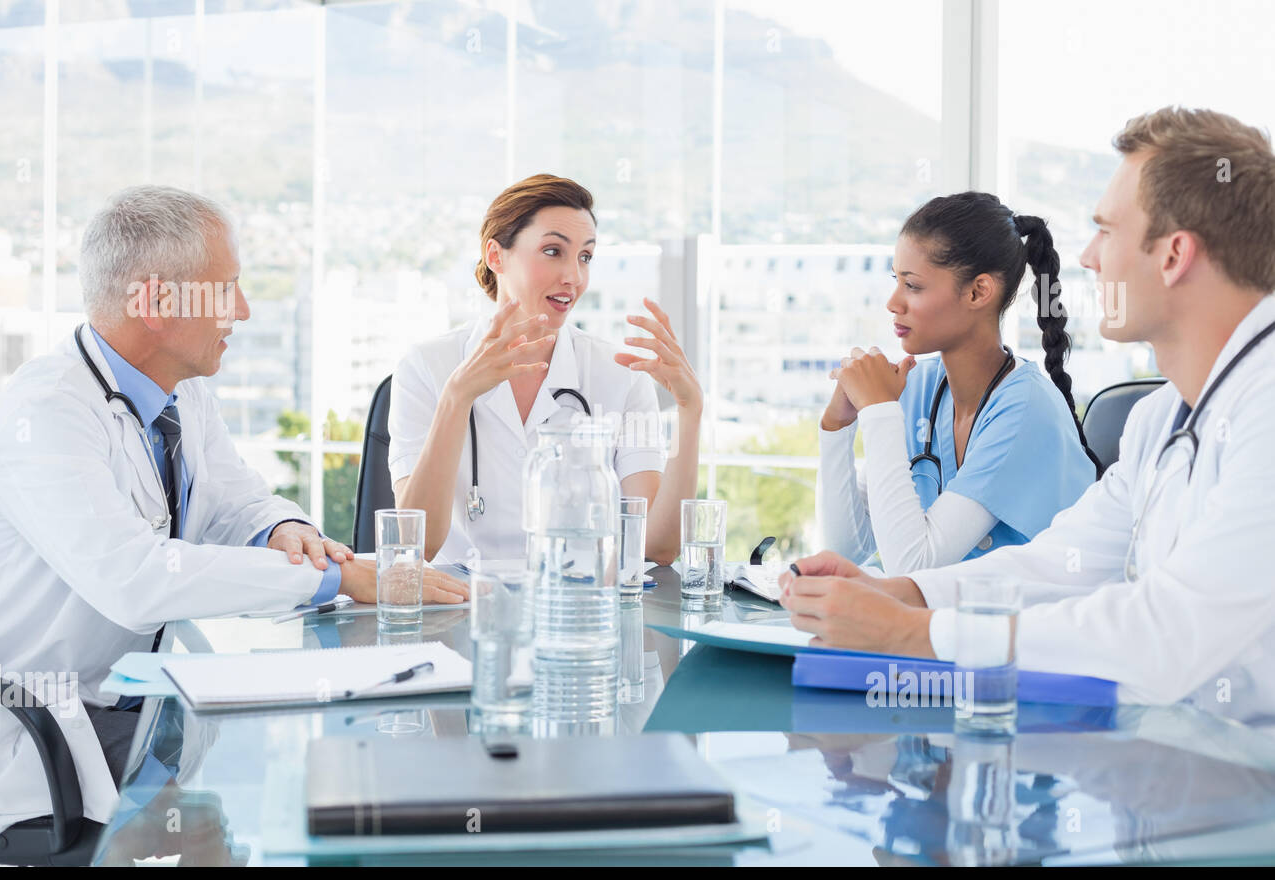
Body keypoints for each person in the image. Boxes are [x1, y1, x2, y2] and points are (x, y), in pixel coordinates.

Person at [0, 185, 467, 843]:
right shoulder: (47, 412)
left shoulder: (182, 393)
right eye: (226, 289)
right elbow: (135, 580)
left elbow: (237, 500)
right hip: (42, 734)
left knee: (301, 774)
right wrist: (336, 578)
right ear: (156, 302)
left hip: (131, 703)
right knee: (281, 803)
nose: (242, 309)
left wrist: (284, 530)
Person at [780, 107, 1275, 707]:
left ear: (1173, 256)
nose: (1088, 256)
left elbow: (1167, 631)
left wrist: (912, 633)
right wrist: (902, 594)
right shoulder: (1160, 419)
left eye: (1106, 231)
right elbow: (1058, 566)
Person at [389, 174, 702, 564]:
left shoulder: (621, 375)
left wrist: (690, 411)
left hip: (574, 596)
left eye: (585, 257)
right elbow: (416, 545)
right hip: (460, 598)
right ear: (496, 256)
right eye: (553, 251)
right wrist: (457, 396)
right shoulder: (426, 366)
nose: (574, 277)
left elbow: (655, 546)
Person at [818, 192, 1098, 576]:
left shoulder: (1026, 408)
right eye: (896, 280)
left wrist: (879, 412)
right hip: (950, 612)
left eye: (913, 286)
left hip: (1037, 613)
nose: (893, 303)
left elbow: (912, 565)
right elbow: (845, 550)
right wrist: (837, 426)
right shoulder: (917, 388)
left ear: (978, 292)